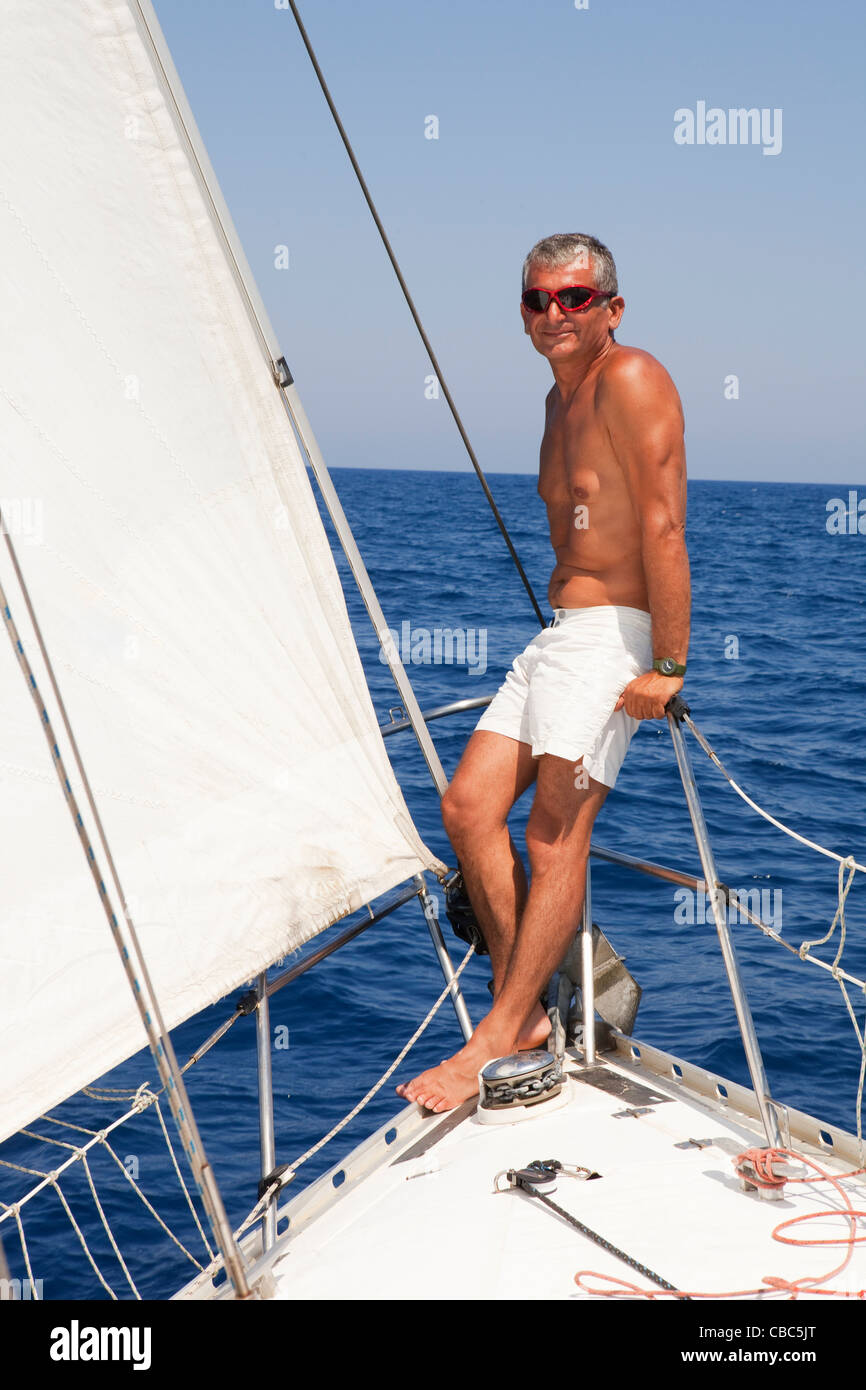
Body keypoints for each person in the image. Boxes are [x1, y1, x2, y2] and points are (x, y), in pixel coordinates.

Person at [396, 233, 690, 1112]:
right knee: (467, 806)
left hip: (613, 636)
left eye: (573, 297)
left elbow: (665, 526)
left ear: (611, 307)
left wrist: (669, 664)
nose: (553, 313)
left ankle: (499, 1029)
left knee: (555, 838)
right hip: (561, 634)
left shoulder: (633, 378)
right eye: (537, 299)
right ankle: (520, 1011)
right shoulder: (556, 402)